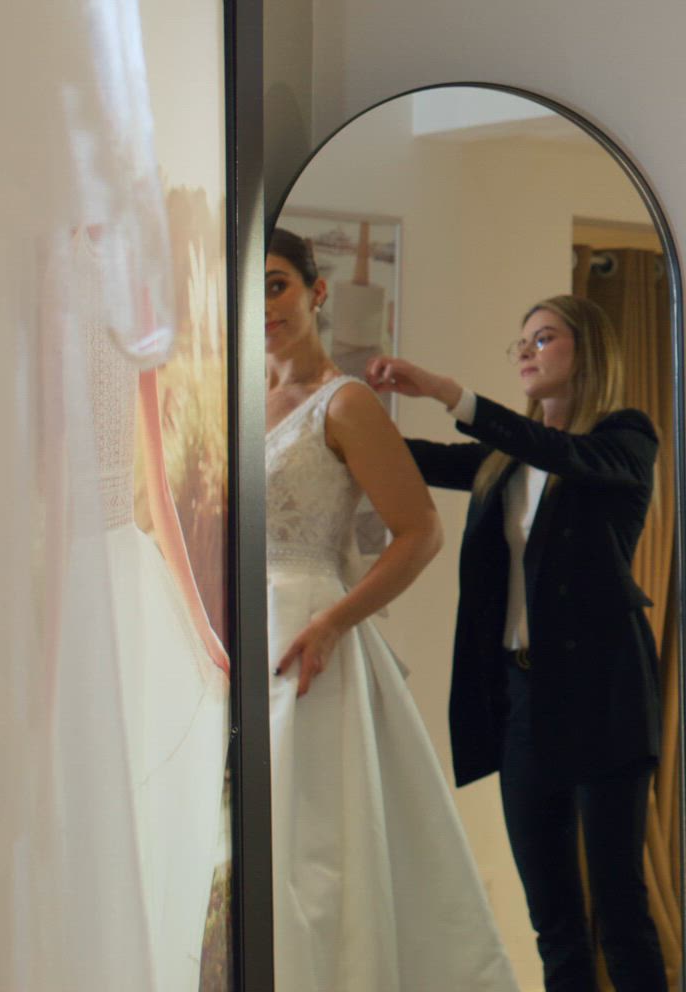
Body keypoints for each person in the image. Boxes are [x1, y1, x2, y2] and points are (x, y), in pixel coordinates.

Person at [367, 295, 667, 992]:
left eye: (544, 338)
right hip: (525, 701)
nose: (527, 351)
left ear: (586, 352)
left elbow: (560, 452)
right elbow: (418, 461)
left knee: (620, 913)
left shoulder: (625, 439)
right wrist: (328, 419)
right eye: (522, 342)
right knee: (553, 919)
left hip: (608, 700)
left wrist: (449, 392)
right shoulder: (504, 464)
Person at [265, 227, 520, 992]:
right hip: (237, 633)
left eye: (276, 284)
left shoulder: (344, 404)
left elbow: (421, 531)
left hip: (311, 627)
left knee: (312, 851)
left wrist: (336, 621)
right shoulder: (230, 398)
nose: (262, 306)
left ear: (316, 291)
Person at [76, 224, 230, 992]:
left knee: (116, 798)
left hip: (111, 561)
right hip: (43, 562)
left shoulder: (122, 266)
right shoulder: (15, 258)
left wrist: (197, 617)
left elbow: (154, 474)